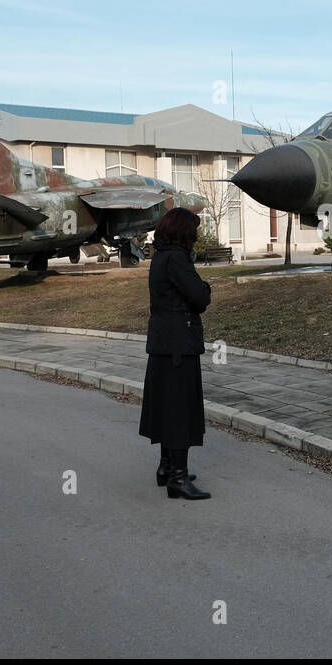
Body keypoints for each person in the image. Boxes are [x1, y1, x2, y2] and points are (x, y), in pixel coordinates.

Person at [138, 207, 212, 500]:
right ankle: (178, 478)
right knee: (181, 410)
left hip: (163, 345)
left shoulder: (160, 258)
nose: (195, 235)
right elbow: (200, 296)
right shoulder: (177, 259)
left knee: (168, 408)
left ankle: (167, 467)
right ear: (183, 232)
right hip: (179, 345)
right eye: (193, 229)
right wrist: (205, 286)